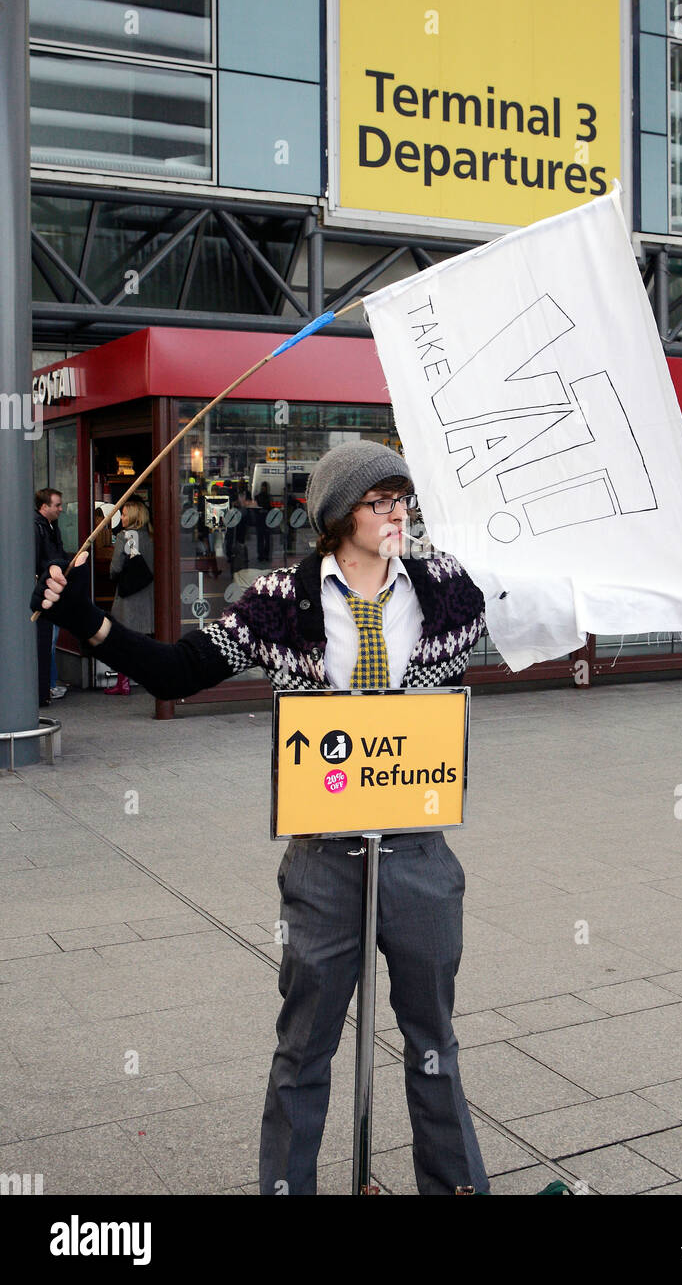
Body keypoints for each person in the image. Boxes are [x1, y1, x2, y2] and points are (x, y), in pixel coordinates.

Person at [32, 441, 489, 1195]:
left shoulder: (446, 587)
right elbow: (180, 670)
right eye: (380, 501)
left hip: (418, 848)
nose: (397, 512)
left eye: (402, 499)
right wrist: (87, 619)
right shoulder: (282, 599)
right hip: (322, 858)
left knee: (434, 1038)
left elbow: (547, 603)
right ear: (338, 515)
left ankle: (456, 1188)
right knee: (304, 1046)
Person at [105, 496, 154, 696]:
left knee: (122, 642)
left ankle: (122, 681)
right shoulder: (151, 536)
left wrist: (112, 574)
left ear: (133, 516)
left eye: (124, 514)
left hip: (129, 597)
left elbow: (115, 568)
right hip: (148, 595)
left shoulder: (126, 537)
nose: (122, 518)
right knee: (144, 642)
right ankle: (148, 678)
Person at [34, 487, 70, 707]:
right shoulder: (37, 527)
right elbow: (42, 558)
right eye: (57, 505)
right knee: (47, 640)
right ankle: (45, 686)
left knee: (52, 639)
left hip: (51, 585)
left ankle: (49, 684)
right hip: (45, 586)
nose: (60, 509)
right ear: (44, 506)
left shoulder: (50, 526)